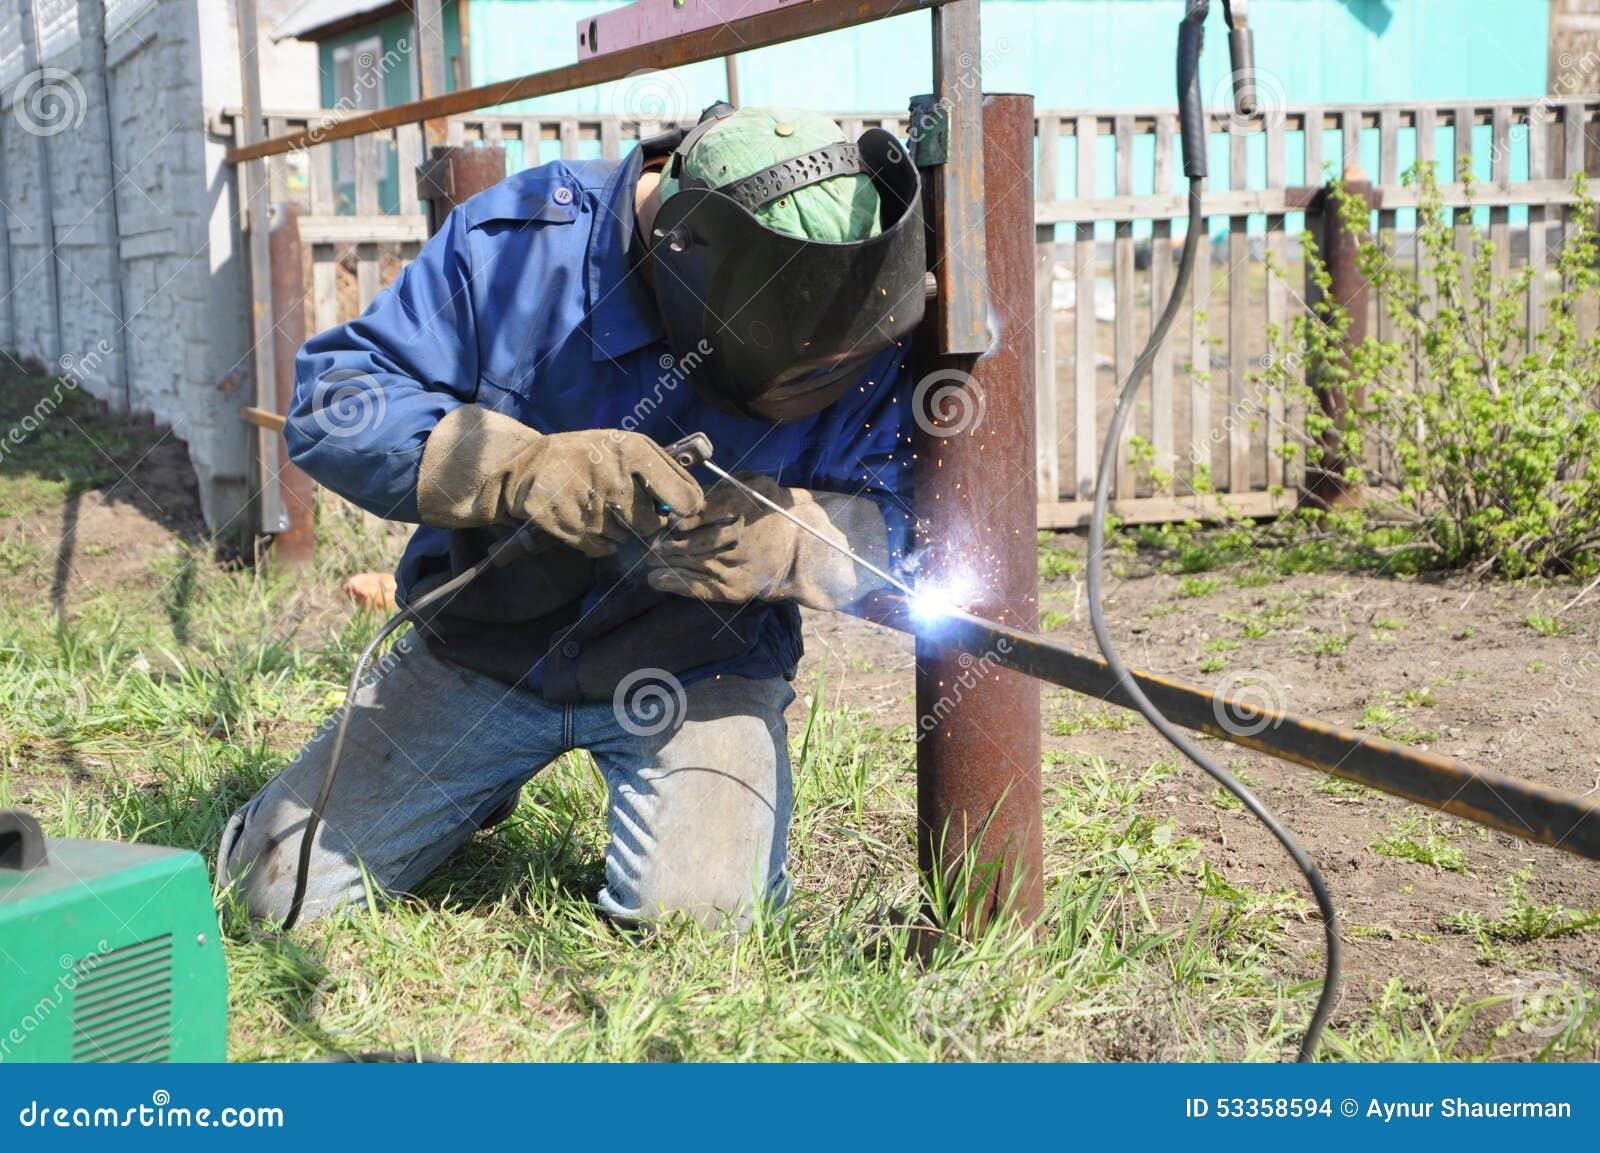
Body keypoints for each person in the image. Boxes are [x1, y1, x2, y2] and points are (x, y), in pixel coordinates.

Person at [217, 104, 927, 930]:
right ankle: (471, 780)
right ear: (686, 260)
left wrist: (799, 538)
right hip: (486, 649)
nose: (816, 383)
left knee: (699, 925)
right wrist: (513, 468)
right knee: (269, 895)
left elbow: (929, 532)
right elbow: (332, 401)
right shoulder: (523, 247)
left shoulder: (854, 294)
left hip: (699, 667)